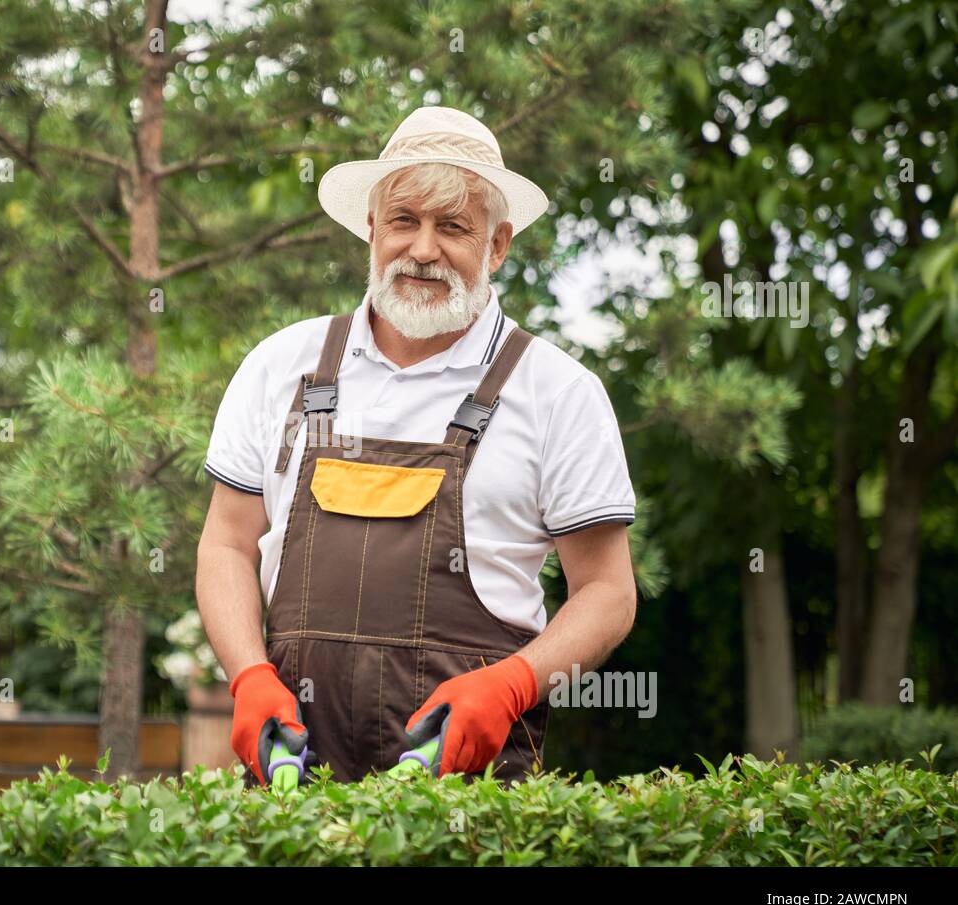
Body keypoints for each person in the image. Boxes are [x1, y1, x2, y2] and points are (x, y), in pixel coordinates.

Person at [196, 105, 638, 786]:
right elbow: (226, 542)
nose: (424, 249)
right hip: (291, 787)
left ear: (497, 245)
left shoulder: (557, 392)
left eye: (453, 226)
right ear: (372, 229)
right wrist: (250, 676)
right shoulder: (282, 365)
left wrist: (512, 685)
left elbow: (608, 591)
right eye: (404, 220)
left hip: (470, 796)